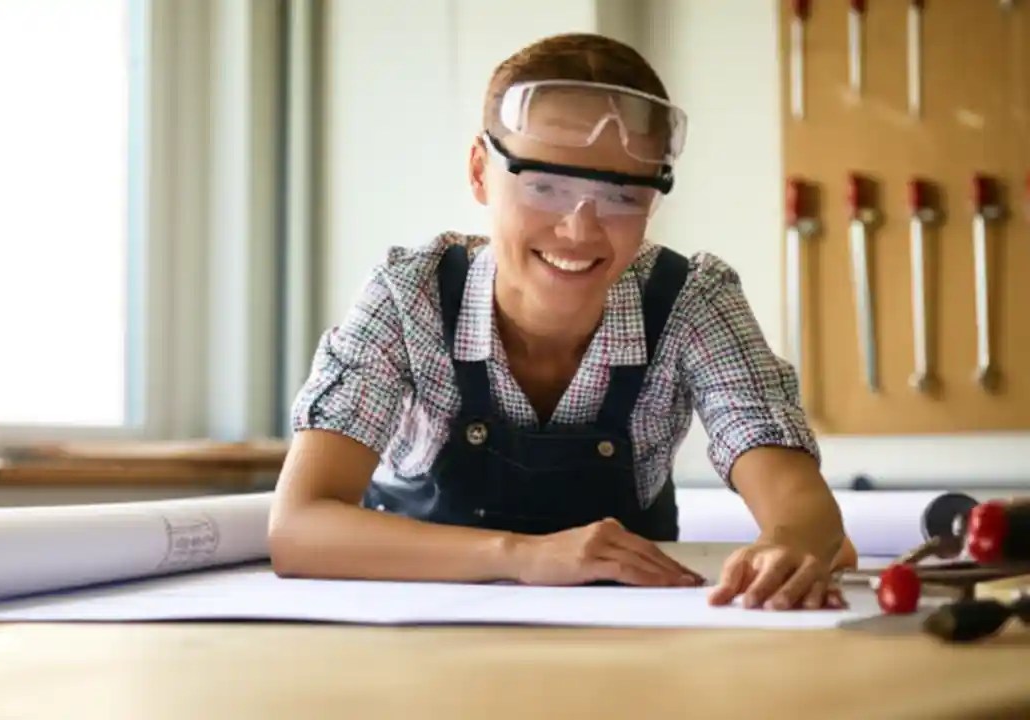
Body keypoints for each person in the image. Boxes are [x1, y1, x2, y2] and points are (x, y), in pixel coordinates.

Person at [269, 32, 856, 611]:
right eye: (545, 186)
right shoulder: (407, 296)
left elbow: (797, 500)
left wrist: (791, 543)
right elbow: (300, 527)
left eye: (623, 196)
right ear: (480, 172)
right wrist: (524, 556)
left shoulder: (692, 300)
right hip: (414, 651)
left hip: (631, 653)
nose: (580, 230)